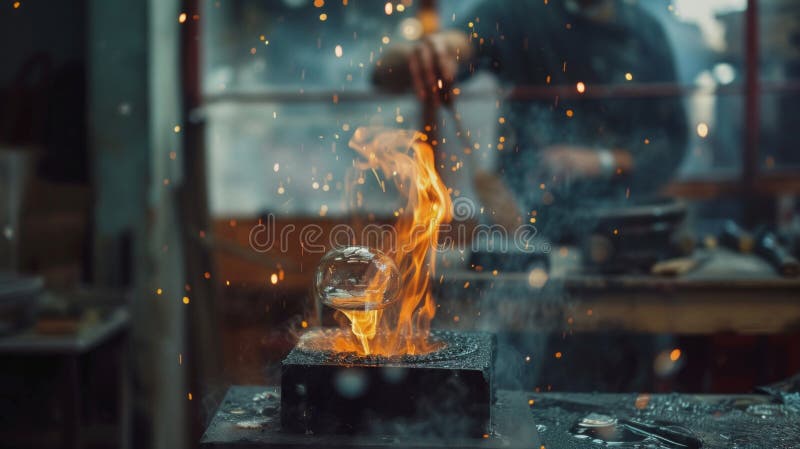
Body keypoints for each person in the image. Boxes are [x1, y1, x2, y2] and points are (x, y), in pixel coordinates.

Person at [374, 0, 687, 240]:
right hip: (524, 229)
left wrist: (605, 160)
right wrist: (438, 49)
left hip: (626, 231)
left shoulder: (646, 33)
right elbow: (392, 73)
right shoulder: (518, 13)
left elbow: (673, 139)